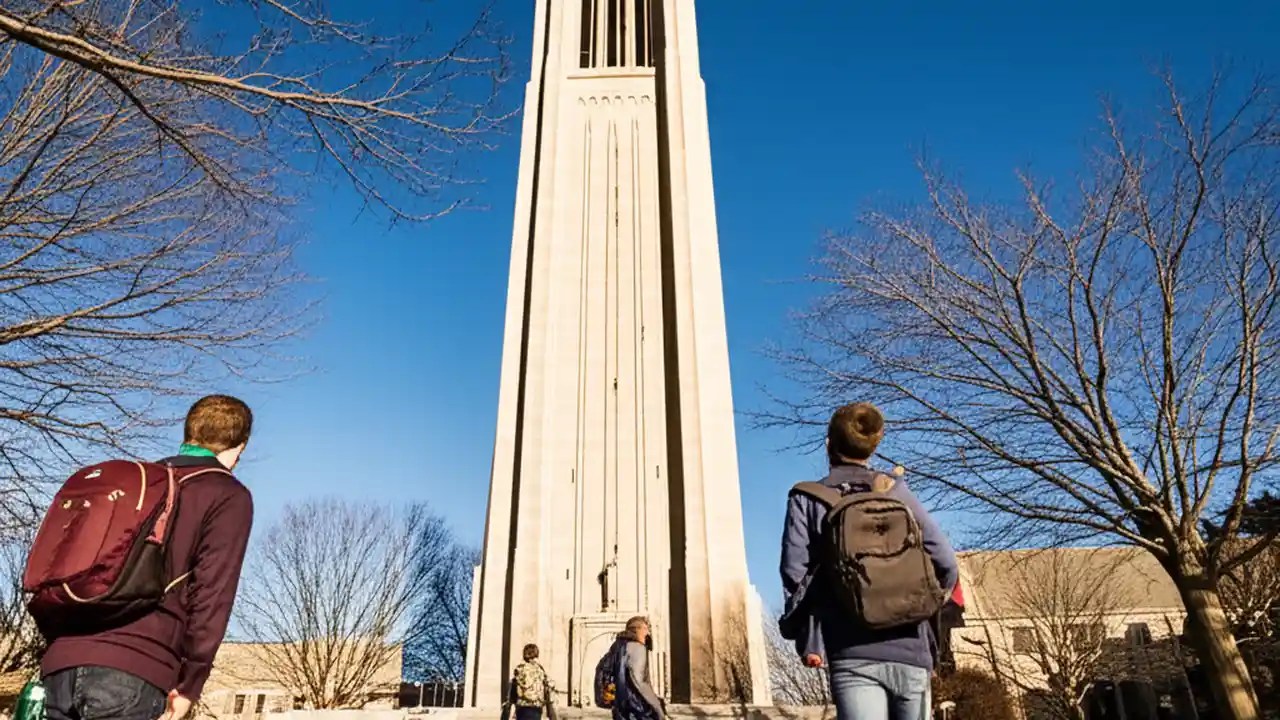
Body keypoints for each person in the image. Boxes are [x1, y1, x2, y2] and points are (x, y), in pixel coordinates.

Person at [39, 395, 256, 720]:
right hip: (134, 670)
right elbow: (212, 595)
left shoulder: (139, 482)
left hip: (62, 664)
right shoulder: (227, 494)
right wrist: (190, 685)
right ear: (241, 446)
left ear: (188, 434)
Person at [780, 402, 959, 720]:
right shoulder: (897, 492)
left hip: (852, 652)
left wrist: (810, 641)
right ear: (873, 447)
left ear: (828, 444)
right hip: (911, 650)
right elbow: (945, 561)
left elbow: (796, 576)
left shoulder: (806, 499)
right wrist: (925, 606)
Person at [611, 617, 665, 720]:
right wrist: (658, 708)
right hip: (637, 708)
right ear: (636, 630)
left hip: (622, 708)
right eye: (645, 629)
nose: (647, 632)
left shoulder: (620, 647)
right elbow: (640, 682)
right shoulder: (637, 648)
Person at [508, 644, 550, 720]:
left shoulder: (519, 669)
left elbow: (513, 691)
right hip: (536, 707)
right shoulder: (540, 670)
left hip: (522, 707)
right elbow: (546, 690)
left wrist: (512, 702)